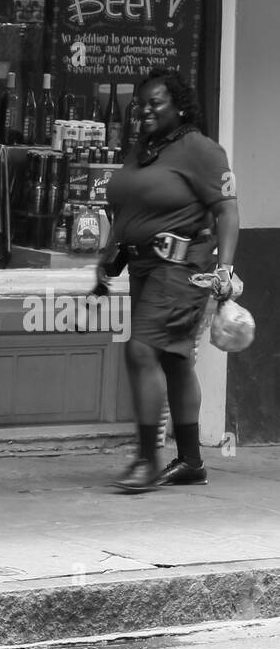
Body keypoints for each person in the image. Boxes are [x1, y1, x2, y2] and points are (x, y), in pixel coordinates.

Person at [103, 68, 240, 493]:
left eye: (154, 102)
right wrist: (110, 256)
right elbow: (128, 205)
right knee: (175, 359)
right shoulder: (144, 148)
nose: (144, 110)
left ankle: (147, 460)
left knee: (142, 351)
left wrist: (225, 269)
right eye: (139, 103)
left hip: (183, 269)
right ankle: (191, 462)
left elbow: (227, 211)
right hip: (144, 268)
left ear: (179, 106)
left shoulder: (200, 150)